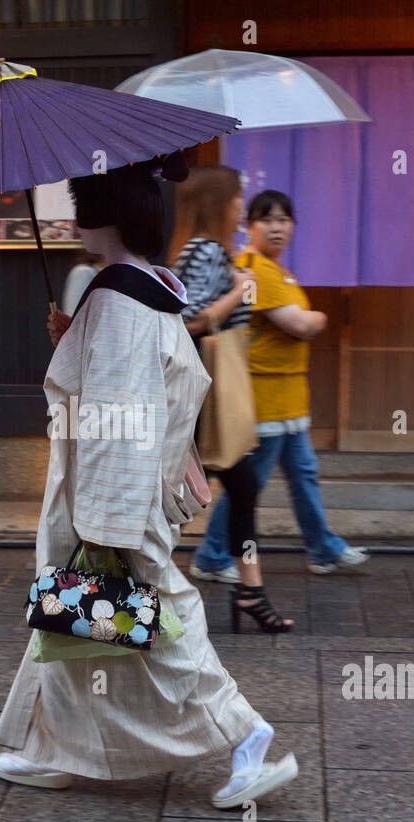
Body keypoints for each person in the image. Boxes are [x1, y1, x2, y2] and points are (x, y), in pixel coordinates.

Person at [0, 153, 298, 809]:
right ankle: (51, 746)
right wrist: (74, 342)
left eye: (82, 206)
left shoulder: (114, 299)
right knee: (71, 617)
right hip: (120, 489)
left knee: (150, 621)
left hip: (106, 497)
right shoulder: (148, 289)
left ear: (102, 214)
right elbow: (153, 386)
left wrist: (110, 524)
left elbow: (118, 415)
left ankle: (247, 737)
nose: (74, 220)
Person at [194, 189, 368, 576]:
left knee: (303, 476)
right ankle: (212, 555)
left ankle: (323, 548)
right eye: (267, 220)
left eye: (284, 220)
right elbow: (300, 325)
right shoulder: (252, 268)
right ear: (249, 226)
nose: (277, 228)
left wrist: (312, 320)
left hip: (290, 400)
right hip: (262, 401)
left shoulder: (280, 272)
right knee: (247, 485)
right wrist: (320, 318)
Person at [169, 164, 294, 632]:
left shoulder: (213, 251)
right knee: (187, 496)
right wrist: (237, 291)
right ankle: (241, 592)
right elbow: (187, 319)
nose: (243, 206)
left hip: (216, 391)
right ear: (218, 202)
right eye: (238, 198)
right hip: (205, 395)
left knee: (238, 489)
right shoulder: (202, 250)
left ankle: (249, 592)